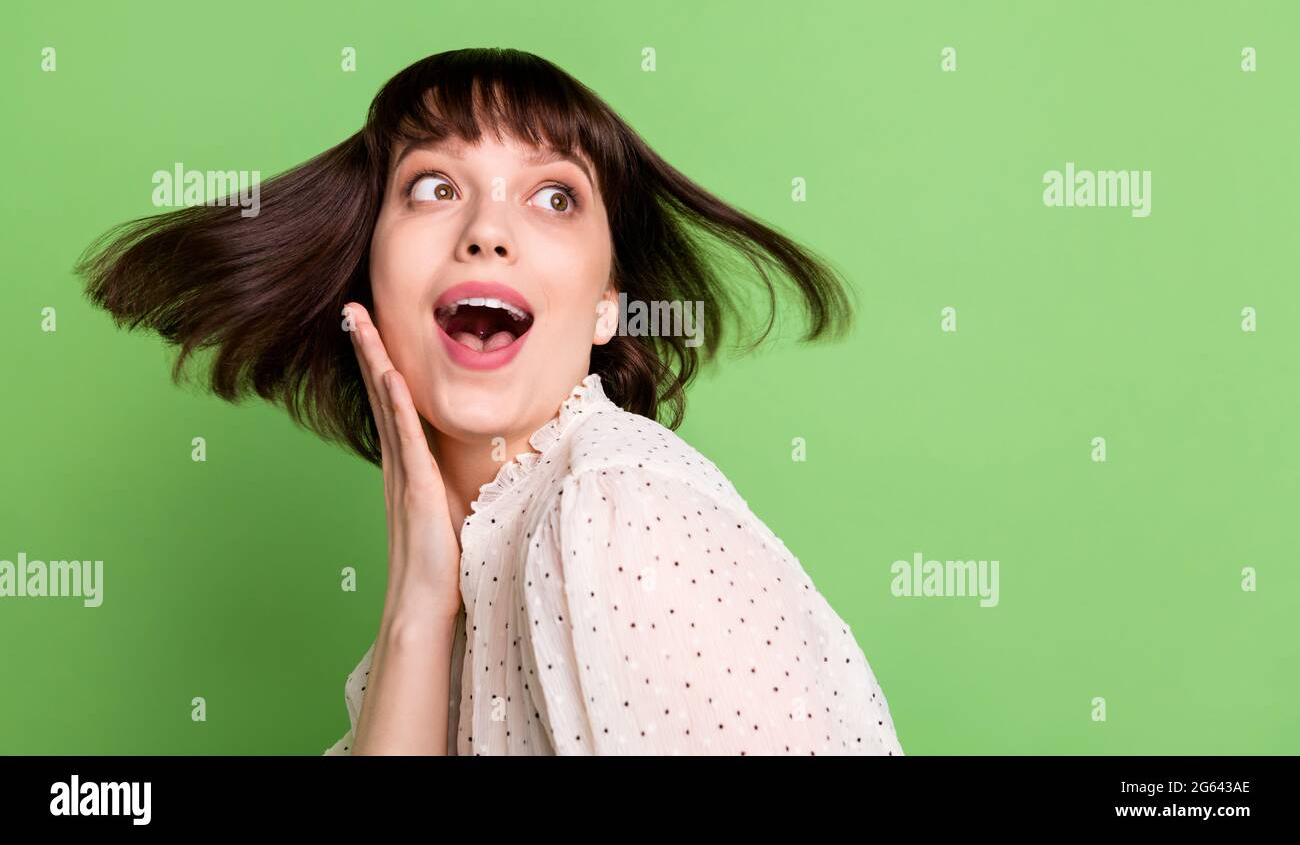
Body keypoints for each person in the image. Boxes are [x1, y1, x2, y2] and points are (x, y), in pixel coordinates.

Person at [76, 47, 904, 756]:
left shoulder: (619, 513)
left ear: (608, 305)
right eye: (434, 186)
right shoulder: (459, 596)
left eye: (554, 197)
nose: (487, 231)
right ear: (367, 269)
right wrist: (417, 605)